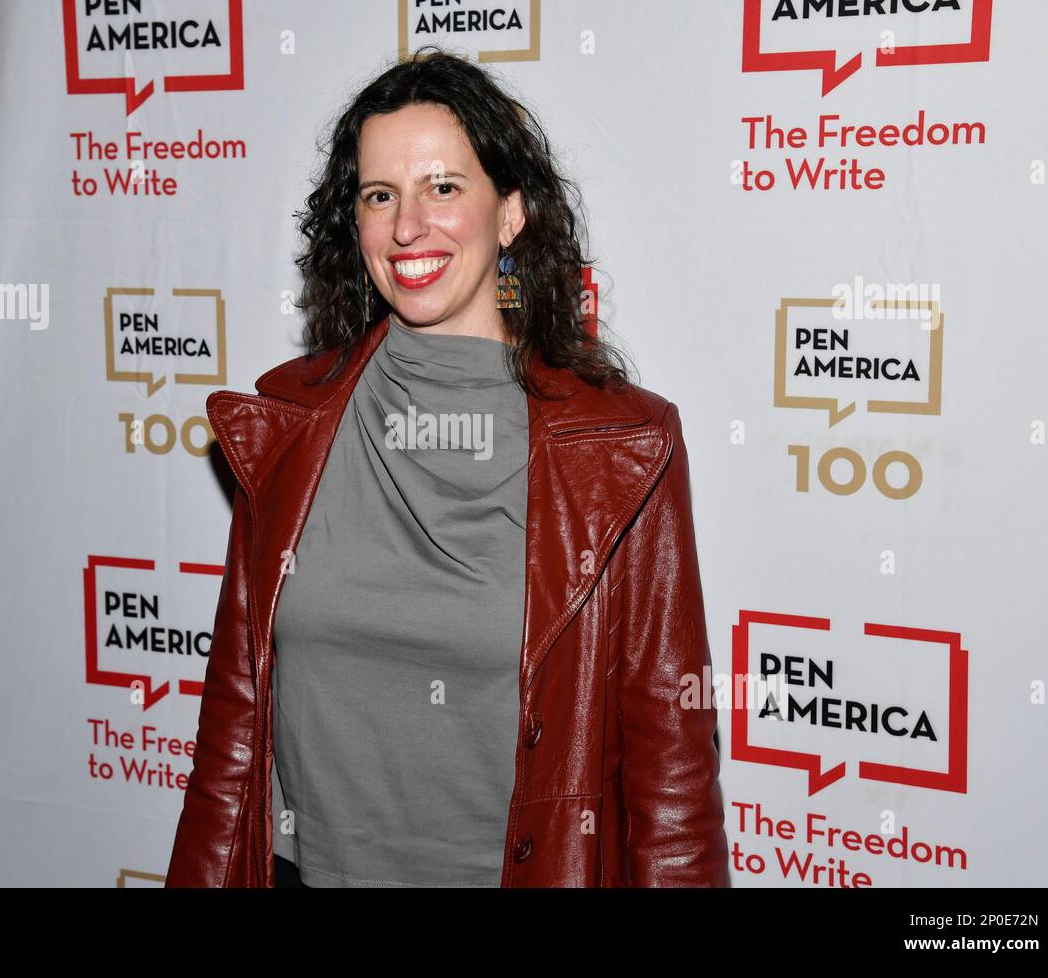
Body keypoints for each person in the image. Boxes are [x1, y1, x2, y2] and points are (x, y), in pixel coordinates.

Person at [165, 45, 729, 888]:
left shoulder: (620, 447)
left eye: (443, 188)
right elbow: (232, 734)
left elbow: (670, 767)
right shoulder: (290, 424)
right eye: (379, 195)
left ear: (510, 213)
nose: (406, 227)